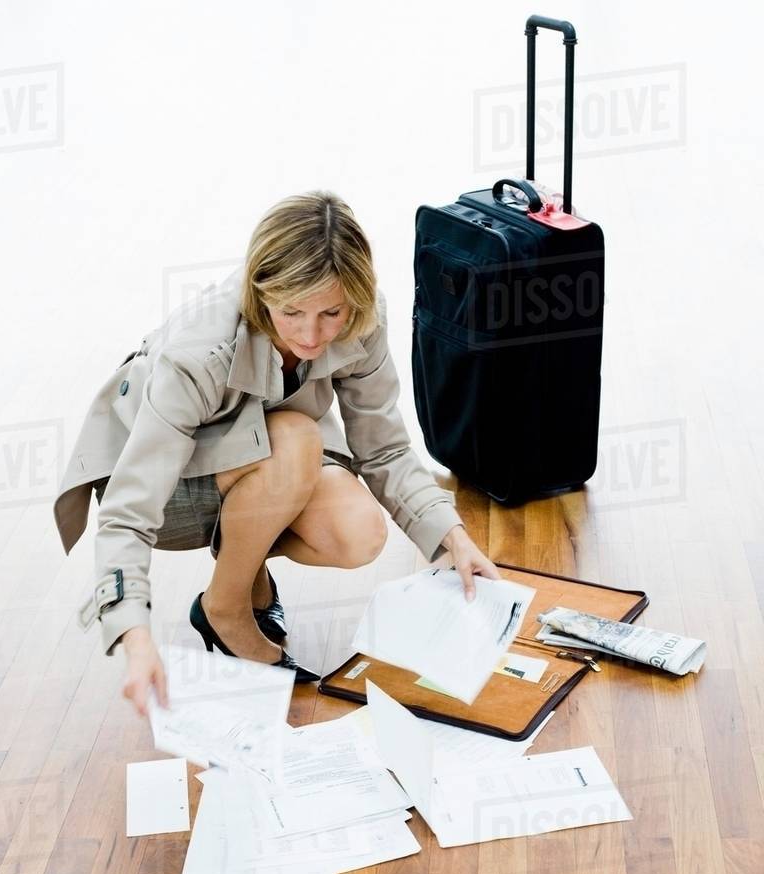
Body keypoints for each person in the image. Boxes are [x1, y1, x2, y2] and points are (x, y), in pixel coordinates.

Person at [53, 190, 500, 717]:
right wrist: (134, 635)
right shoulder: (199, 350)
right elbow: (128, 514)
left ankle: (238, 576)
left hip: (263, 464)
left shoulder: (362, 317)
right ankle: (228, 610)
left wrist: (451, 537)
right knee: (296, 437)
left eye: (331, 312)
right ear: (262, 290)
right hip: (170, 492)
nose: (312, 334)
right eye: (291, 311)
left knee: (359, 532)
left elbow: (383, 448)